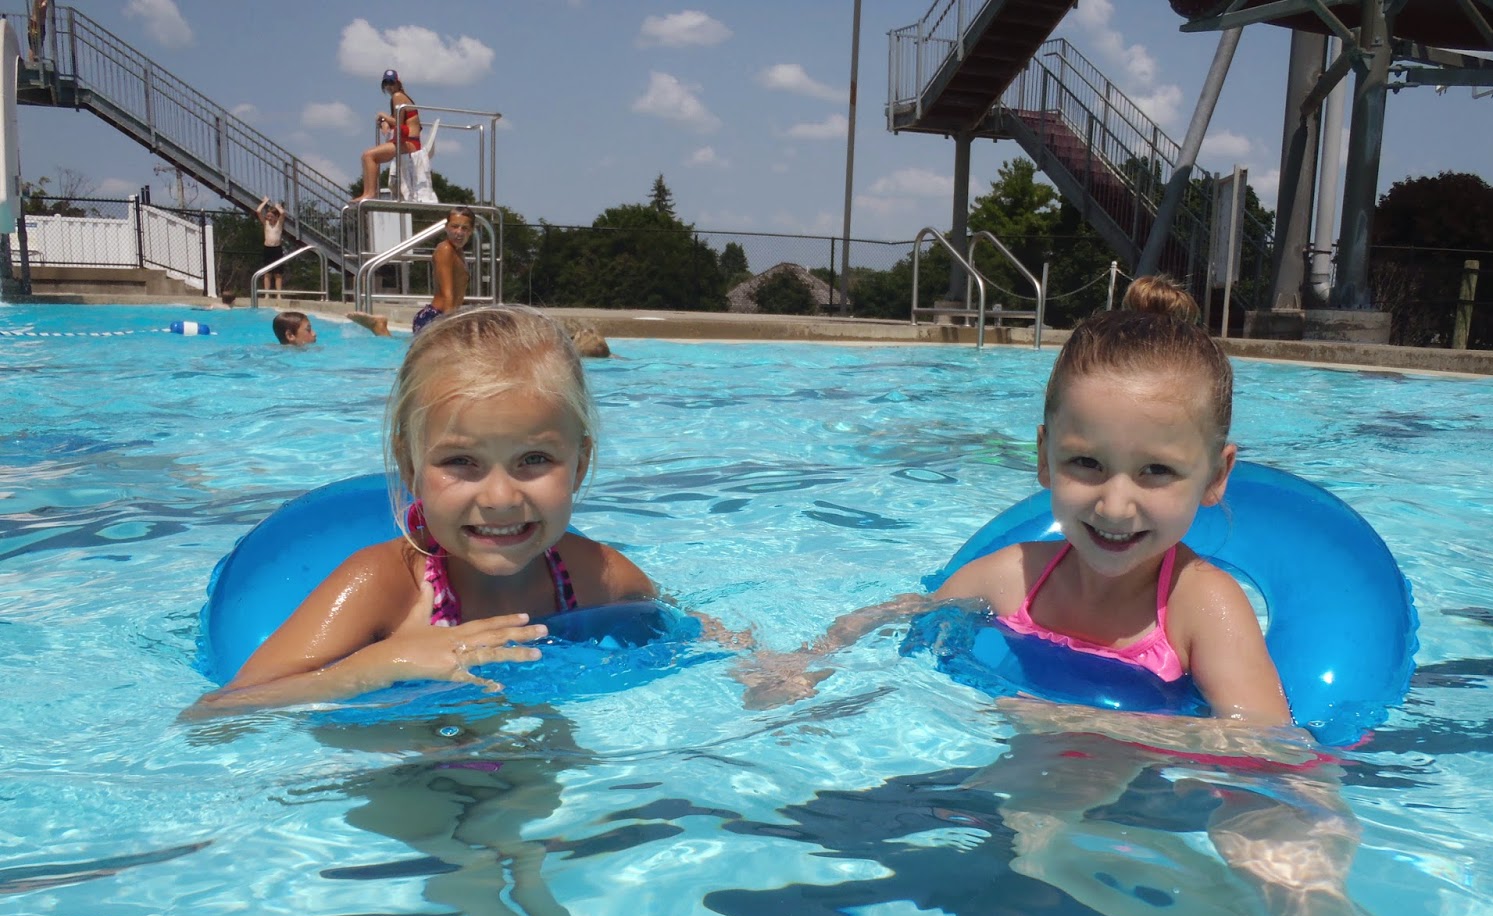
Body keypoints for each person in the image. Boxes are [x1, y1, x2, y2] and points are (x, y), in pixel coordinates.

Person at [741, 274, 1287, 726]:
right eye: (1087, 463)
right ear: (1045, 457)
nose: (1115, 506)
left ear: (1216, 476)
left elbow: (1264, 744)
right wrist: (809, 659)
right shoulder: (1014, 578)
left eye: (1157, 471)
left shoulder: (1203, 608)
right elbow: (904, 611)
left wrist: (1083, 724)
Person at [196, 306, 656, 711]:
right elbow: (220, 710)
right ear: (411, 467)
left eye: (534, 459)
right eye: (461, 461)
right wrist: (379, 665)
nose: (500, 499)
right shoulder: (382, 587)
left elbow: (686, 626)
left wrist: (732, 659)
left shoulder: (594, 572)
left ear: (579, 466)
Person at [349, 206, 475, 338]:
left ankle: (379, 327)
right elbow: (447, 294)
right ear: (446, 227)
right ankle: (378, 327)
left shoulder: (458, 252)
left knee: (410, 353)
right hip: (436, 318)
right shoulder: (446, 250)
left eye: (464, 228)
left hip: (443, 317)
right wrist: (450, 326)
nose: (459, 232)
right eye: (454, 226)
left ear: (471, 231)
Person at [357, 68, 422, 202]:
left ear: (398, 83)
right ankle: (368, 193)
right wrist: (385, 121)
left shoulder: (398, 96)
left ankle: (370, 193)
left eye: (391, 82)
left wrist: (383, 115)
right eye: (385, 83)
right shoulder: (399, 97)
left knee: (368, 155)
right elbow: (397, 121)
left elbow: (399, 122)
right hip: (406, 141)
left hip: (410, 143)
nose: (389, 86)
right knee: (368, 156)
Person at [255, 197, 287, 299]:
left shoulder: (279, 224)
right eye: (268, 216)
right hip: (267, 249)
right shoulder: (266, 224)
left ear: (276, 217)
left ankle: (278, 294)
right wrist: (264, 202)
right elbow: (258, 211)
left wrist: (278, 207)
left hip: (277, 249)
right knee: (267, 273)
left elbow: (283, 214)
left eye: (271, 216)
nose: (268, 218)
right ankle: (267, 294)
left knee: (278, 274)